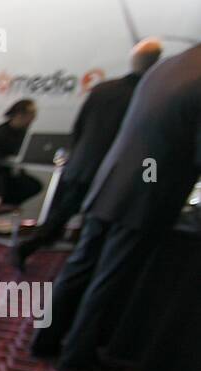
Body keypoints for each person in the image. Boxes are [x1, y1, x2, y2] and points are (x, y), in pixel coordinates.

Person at [32, 44, 201, 371]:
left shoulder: (171, 65)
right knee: (110, 276)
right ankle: (78, 354)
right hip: (148, 193)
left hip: (112, 181)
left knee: (80, 266)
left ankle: (46, 339)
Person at [12, 40, 163, 272]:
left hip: (81, 163)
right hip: (111, 171)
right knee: (95, 225)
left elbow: (79, 127)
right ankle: (78, 266)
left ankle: (35, 250)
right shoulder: (148, 95)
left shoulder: (103, 89)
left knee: (61, 215)